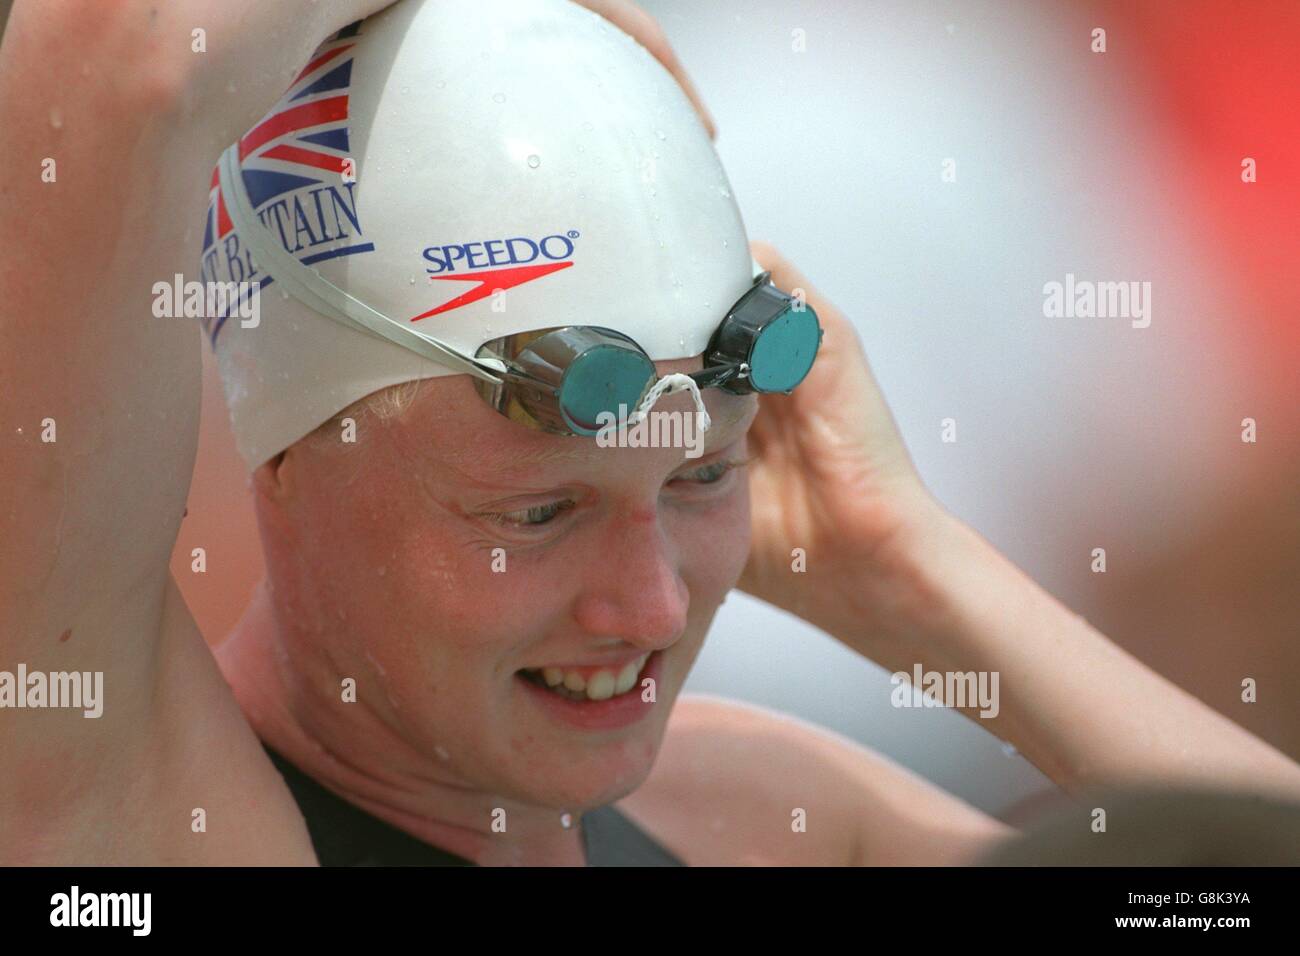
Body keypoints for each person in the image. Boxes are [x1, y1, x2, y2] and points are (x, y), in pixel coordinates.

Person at [2, 0, 1298, 868]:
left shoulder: (738, 813)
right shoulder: (131, 812)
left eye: (700, 478)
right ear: (283, 458)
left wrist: (912, 571)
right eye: (539, 513)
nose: (650, 603)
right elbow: (121, 50)